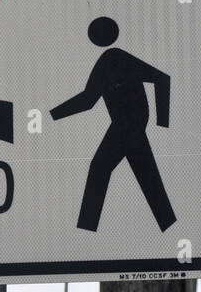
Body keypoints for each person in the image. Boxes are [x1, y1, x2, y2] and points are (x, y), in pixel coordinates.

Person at [50, 17, 176, 233]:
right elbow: (88, 100)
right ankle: (168, 224)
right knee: (145, 174)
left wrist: (161, 122)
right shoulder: (107, 60)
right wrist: (54, 114)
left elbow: (162, 79)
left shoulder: (116, 57)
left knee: (100, 167)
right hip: (125, 124)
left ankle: (86, 229)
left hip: (130, 123)